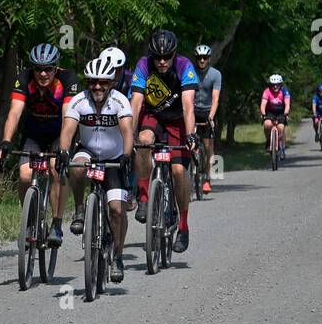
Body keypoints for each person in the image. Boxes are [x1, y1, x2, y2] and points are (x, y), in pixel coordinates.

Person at [56, 51, 135, 282]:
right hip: (88, 152)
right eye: (93, 82)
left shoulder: (120, 101)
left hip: (114, 158)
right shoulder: (79, 101)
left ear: (111, 83)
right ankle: (80, 209)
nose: (97, 86)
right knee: (76, 166)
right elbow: (68, 130)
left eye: (103, 82)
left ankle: (118, 256)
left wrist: (127, 155)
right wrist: (63, 151)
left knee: (117, 210)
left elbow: (128, 131)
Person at [0, 42, 80, 248]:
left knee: (54, 169)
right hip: (34, 134)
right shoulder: (24, 79)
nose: (43, 74)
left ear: (56, 67)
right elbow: (14, 112)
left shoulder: (67, 80)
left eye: (48, 69)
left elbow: (68, 116)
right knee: (25, 175)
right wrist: (6, 142)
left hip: (59, 134)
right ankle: (29, 221)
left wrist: (63, 149)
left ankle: (57, 223)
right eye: (38, 69)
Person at [127, 29, 200, 253]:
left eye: (166, 57)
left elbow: (188, 106)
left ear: (173, 54)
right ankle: (144, 196)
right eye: (157, 57)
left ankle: (183, 226)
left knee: (179, 171)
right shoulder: (143, 65)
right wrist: (128, 135)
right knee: (143, 140)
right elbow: (136, 103)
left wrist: (190, 135)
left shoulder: (185, 66)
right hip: (154, 115)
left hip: (178, 120)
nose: (161, 62)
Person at [191, 44, 221, 194]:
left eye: (204, 58)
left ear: (209, 59)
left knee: (208, 145)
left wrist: (210, 117)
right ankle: (190, 173)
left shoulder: (216, 74)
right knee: (189, 141)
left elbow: (216, 99)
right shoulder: (190, 73)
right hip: (193, 110)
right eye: (199, 58)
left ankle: (207, 178)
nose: (202, 60)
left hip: (208, 111)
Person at [260, 74, 290, 159]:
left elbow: (287, 104)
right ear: (270, 85)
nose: (275, 86)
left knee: (281, 128)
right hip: (270, 112)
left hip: (281, 112)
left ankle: (281, 147)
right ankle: (268, 140)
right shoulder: (267, 91)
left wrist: (286, 114)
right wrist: (263, 114)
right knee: (267, 125)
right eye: (273, 84)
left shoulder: (284, 91)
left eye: (277, 84)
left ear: (280, 84)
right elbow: (263, 104)